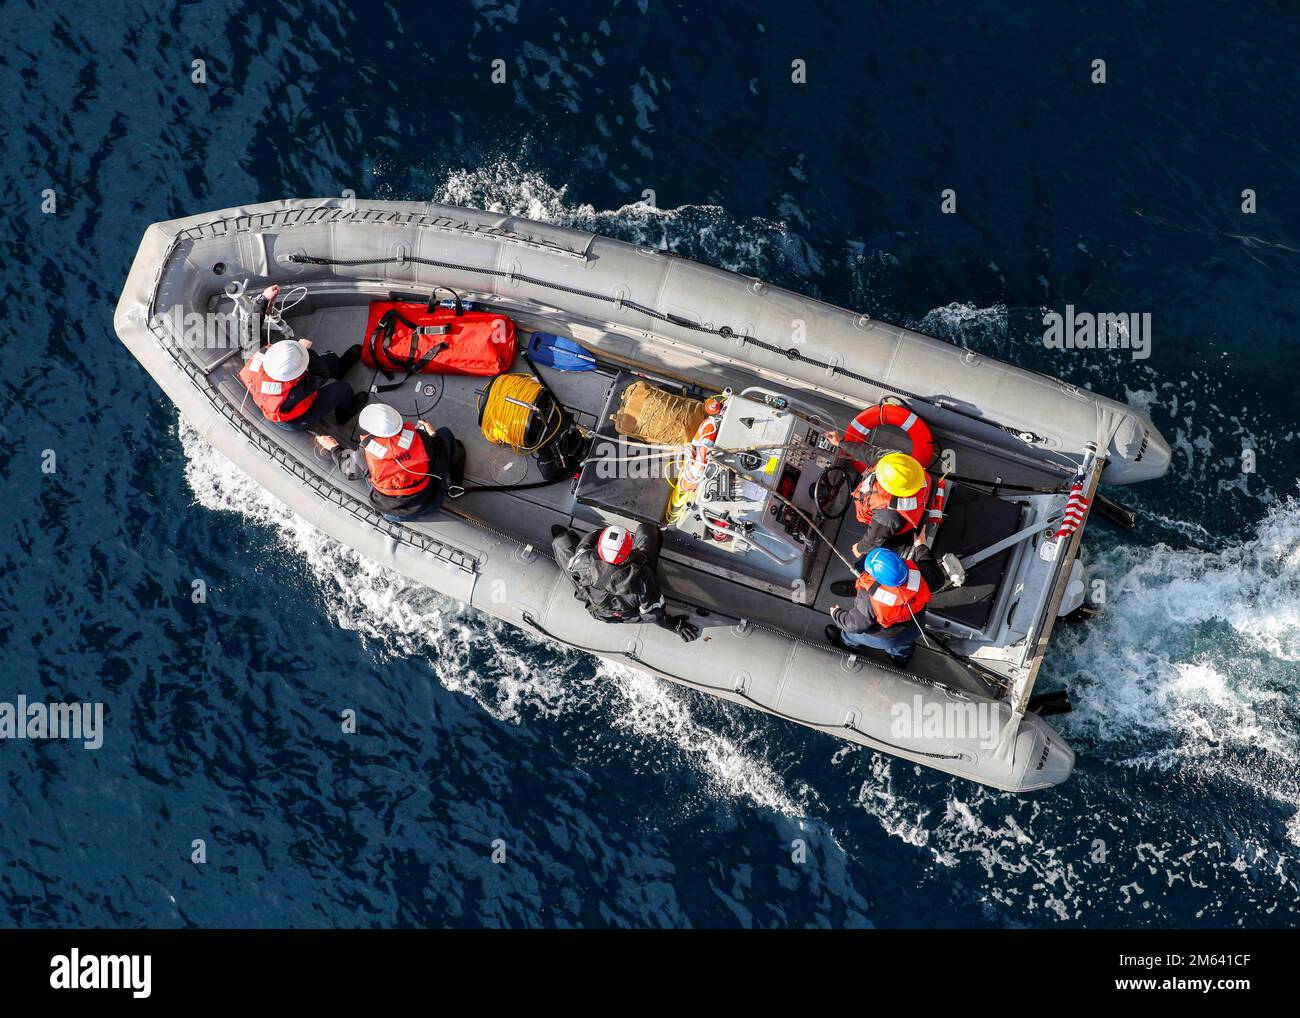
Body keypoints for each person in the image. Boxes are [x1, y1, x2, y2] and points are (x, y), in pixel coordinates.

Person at [550, 524, 701, 642]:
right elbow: (651, 614)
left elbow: (584, 546)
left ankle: (563, 539)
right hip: (632, 614)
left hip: (599, 611)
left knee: (561, 541)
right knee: (647, 530)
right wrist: (675, 626)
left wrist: (600, 532)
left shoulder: (585, 561)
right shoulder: (642, 577)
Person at [315, 402, 464, 521]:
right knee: (444, 433)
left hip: (394, 514)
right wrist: (432, 435)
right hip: (431, 500)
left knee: (366, 472)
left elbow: (348, 470)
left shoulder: (364, 455)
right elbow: (437, 451)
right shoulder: (420, 438)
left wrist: (334, 447)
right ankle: (456, 482)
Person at [824, 534, 944, 667]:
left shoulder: (869, 600)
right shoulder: (922, 574)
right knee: (903, 647)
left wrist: (837, 614)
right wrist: (921, 547)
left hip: (885, 637)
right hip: (916, 626)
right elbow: (935, 575)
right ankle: (900, 661)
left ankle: (847, 644)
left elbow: (855, 625)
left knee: (852, 635)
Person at [823, 439, 934, 554]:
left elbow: (873, 539)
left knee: (882, 544)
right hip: (922, 501)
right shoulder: (899, 463)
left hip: (901, 531)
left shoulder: (889, 514)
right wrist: (841, 443)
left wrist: (859, 549)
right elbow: (868, 452)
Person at [239, 335, 367, 431]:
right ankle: (343, 415)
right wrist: (305, 351)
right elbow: (322, 375)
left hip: (290, 391)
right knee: (343, 389)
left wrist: (264, 301)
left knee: (330, 360)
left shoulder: (258, 360)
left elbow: (251, 328)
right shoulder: (291, 394)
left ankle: (341, 369)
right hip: (296, 417)